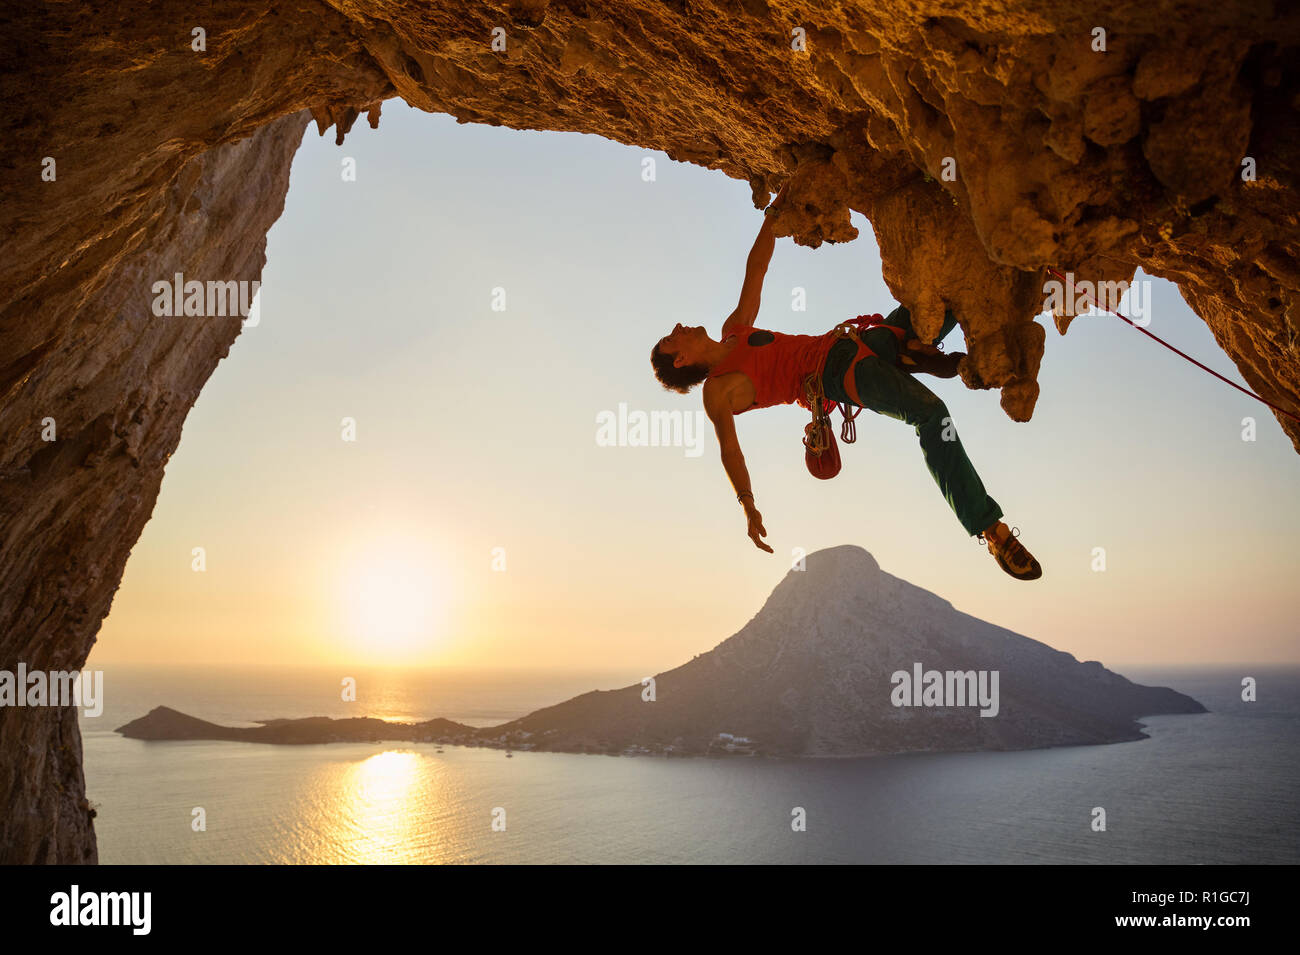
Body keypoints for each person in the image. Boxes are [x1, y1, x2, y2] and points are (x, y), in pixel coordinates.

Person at [649, 184, 1042, 580]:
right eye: (672, 337)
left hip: (853, 342)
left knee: (938, 301)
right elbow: (729, 450)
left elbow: (757, 269)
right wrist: (747, 504)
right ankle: (991, 529)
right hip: (835, 377)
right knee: (930, 413)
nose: (679, 327)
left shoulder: (734, 330)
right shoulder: (718, 389)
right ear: (681, 359)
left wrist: (777, 211)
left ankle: (1014, 264)